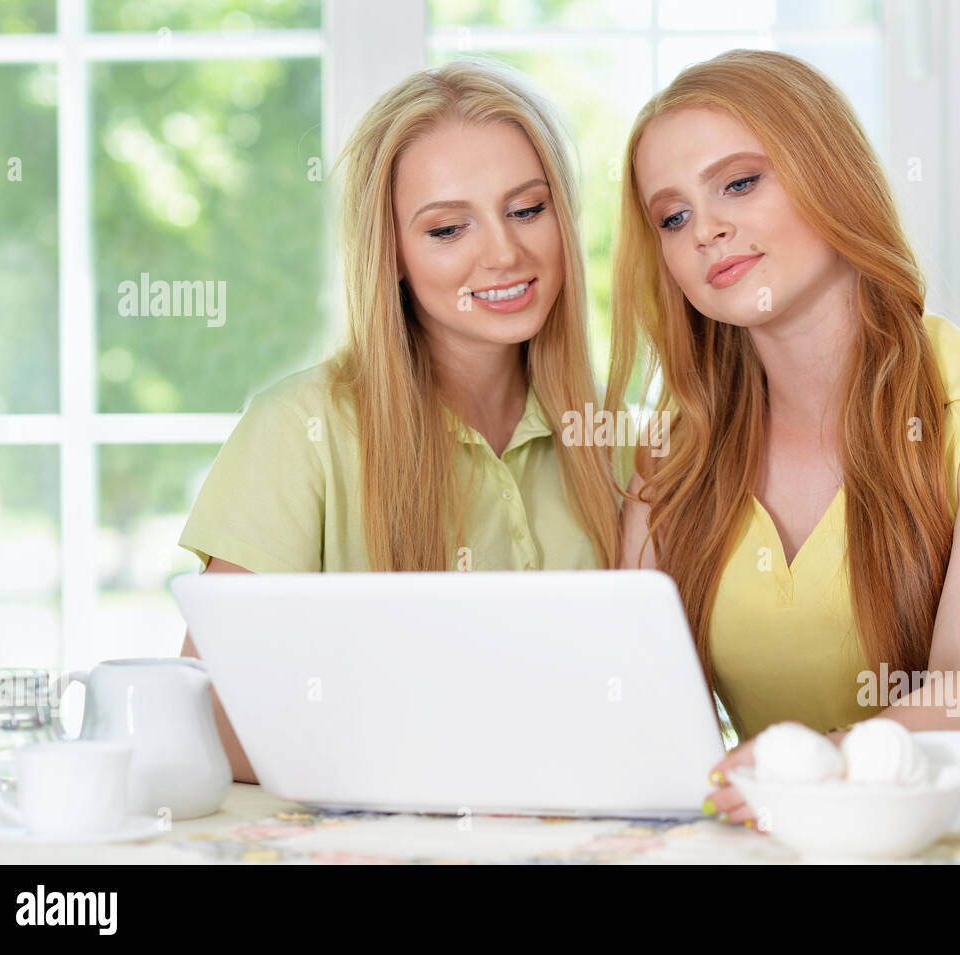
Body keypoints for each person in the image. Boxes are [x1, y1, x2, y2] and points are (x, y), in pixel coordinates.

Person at [606, 49, 960, 864]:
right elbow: (642, 696)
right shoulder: (678, 455)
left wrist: (816, 763)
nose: (708, 229)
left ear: (829, 173)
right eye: (673, 216)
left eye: (739, 183)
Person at [178, 59, 627, 783]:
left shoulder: (618, 439)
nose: (505, 252)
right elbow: (216, 723)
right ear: (392, 255)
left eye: (527, 209)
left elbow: (648, 698)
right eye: (449, 227)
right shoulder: (298, 430)